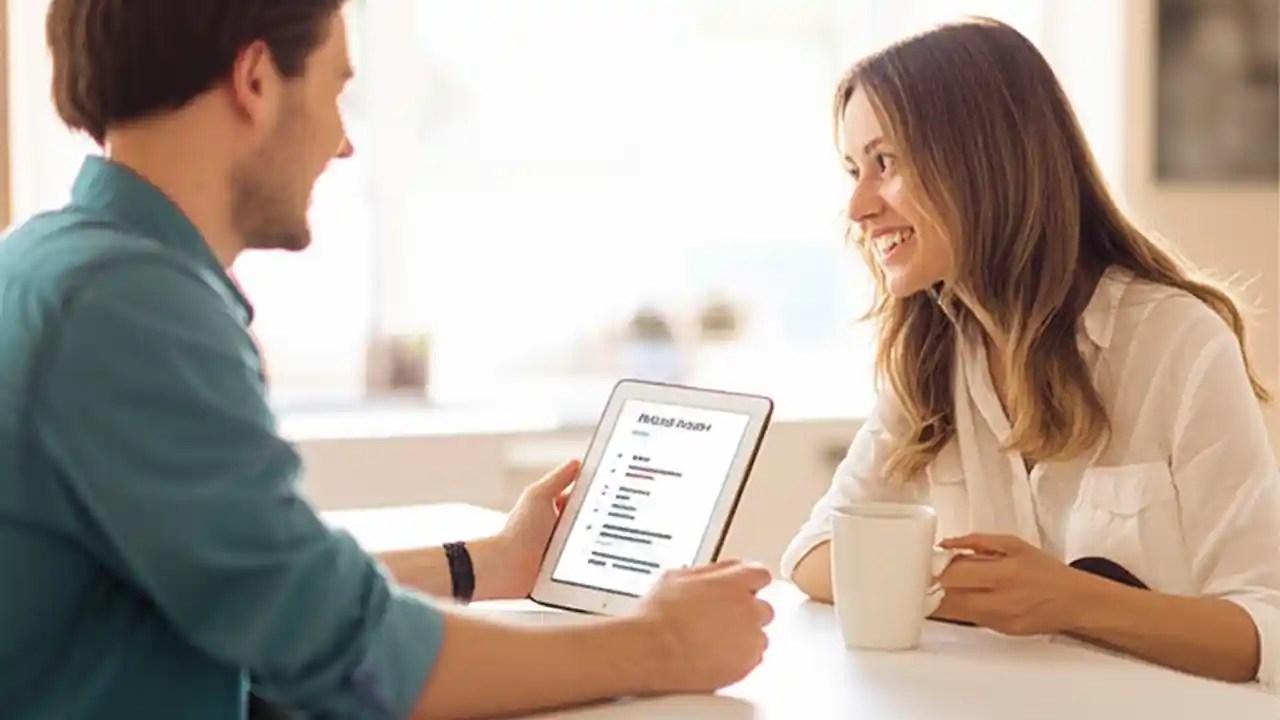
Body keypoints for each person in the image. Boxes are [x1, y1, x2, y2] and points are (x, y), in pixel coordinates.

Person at [0, 2, 774, 718]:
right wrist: (661, 644)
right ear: (257, 80)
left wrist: (490, 563)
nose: (344, 141)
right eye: (337, 90)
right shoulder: (130, 308)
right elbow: (343, 654)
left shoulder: (49, 264)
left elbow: (268, 587)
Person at [782, 18, 1280, 688]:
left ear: (982, 159)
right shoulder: (932, 354)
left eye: (886, 163)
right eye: (853, 169)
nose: (859, 205)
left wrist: (1072, 602)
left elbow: (1264, 629)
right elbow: (812, 557)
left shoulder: (1178, 344)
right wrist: (978, 589)